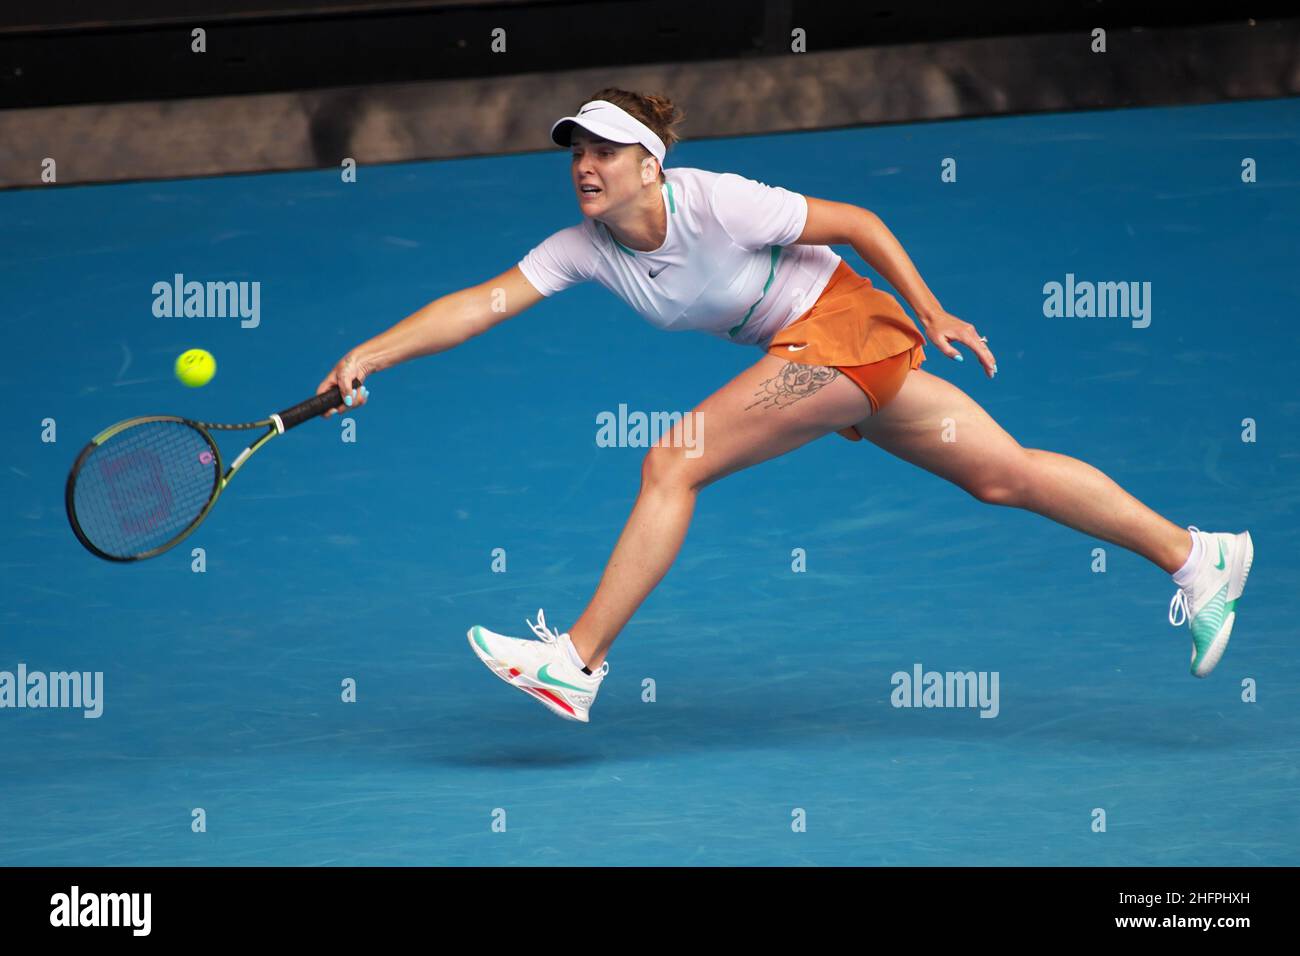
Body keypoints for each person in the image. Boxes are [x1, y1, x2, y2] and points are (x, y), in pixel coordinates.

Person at [316, 88, 1254, 723]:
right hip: (818, 353)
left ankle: (577, 661)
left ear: (650, 163)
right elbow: (482, 302)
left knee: (673, 458)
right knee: (1003, 477)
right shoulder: (585, 248)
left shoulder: (719, 202)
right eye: (576, 153)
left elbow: (858, 223)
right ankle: (1196, 555)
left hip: (848, 329)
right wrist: (372, 353)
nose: (585, 167)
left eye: (605, 151)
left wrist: (932, 312)